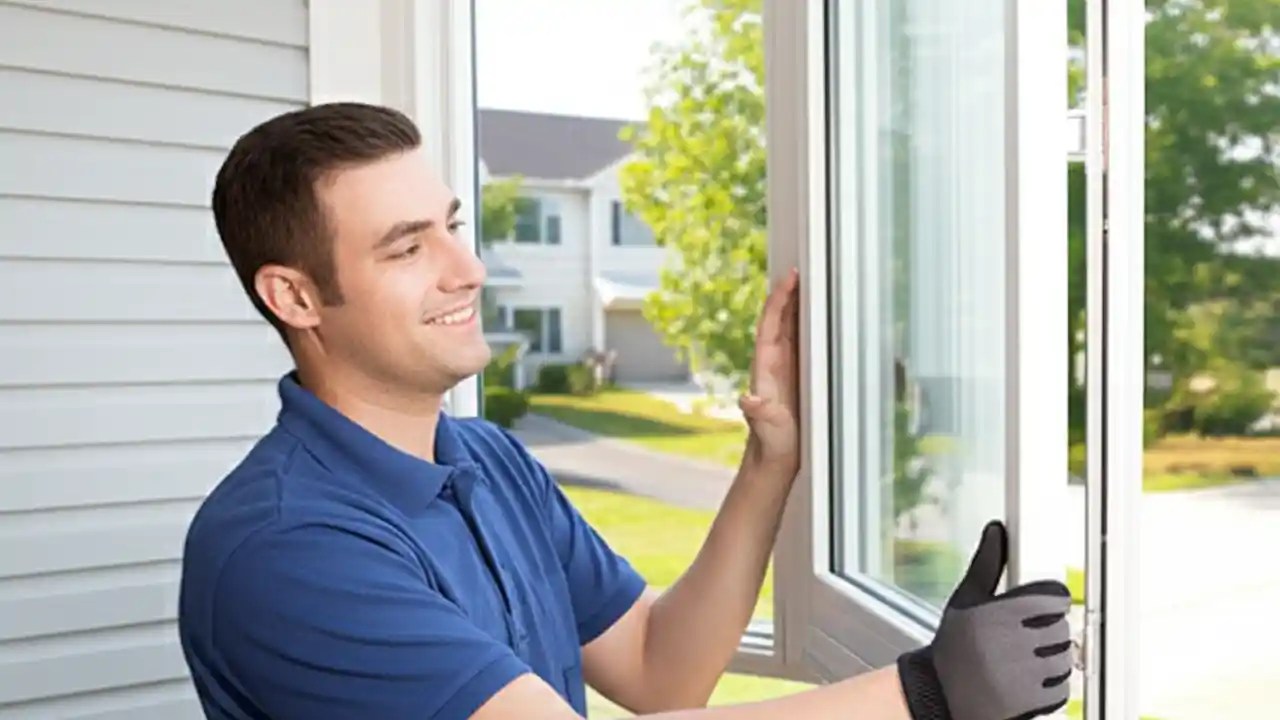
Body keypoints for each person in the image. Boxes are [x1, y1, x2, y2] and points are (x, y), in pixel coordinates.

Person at [177, 102, 1074, 720]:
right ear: (295, 296)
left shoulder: (487, 462)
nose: (469, 269)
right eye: (409, 248)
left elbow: (656, 666)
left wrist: (772, 461)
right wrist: (930, 692)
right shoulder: (286, 548)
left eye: (452, 224)